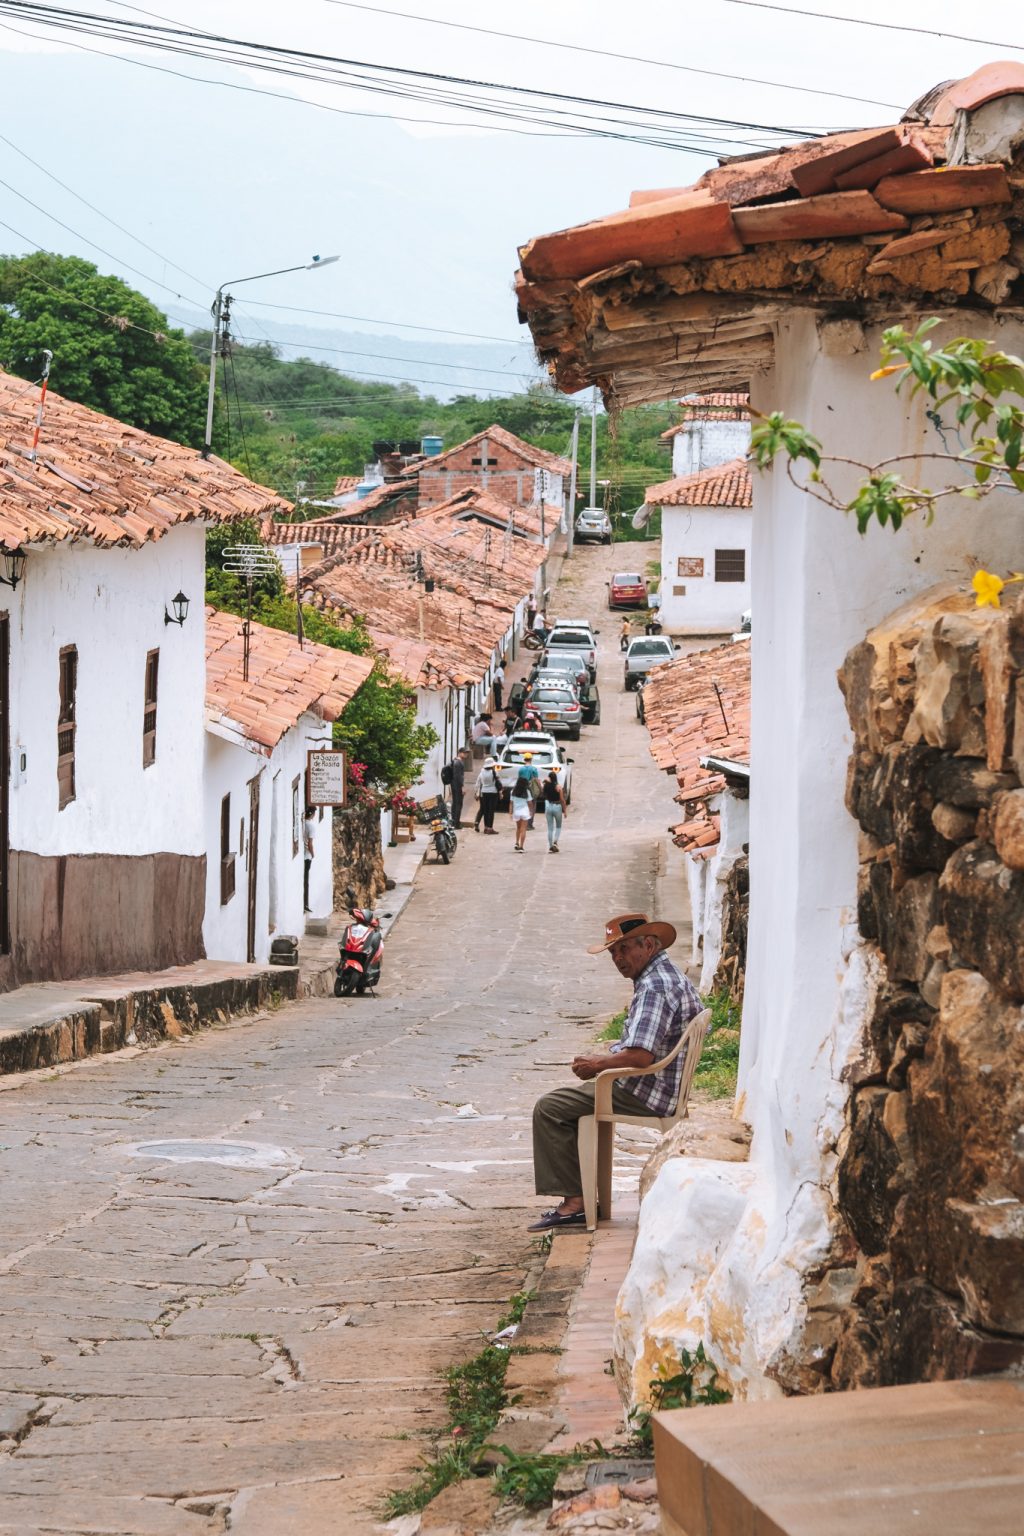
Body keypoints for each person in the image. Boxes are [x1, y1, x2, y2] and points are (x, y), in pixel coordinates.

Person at [528, 913, 701, 1231]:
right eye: (613, 953)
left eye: (623, 950)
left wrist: (598, 1065)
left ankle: (575, 1204)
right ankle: (578, 1198)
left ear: (647, 945)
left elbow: (639, 1056)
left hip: (647, 1091)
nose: (618, 959)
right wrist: (606, 1058)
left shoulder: (655, 987)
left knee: (550, 1108)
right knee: (568, 1102)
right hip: (661, 1085)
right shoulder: (665, 976)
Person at [540, 769, 567, 853]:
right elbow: (562, 800)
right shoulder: (558, 787)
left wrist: (544, 781)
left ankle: (551, 845)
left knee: (550, 828)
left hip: (548, 806)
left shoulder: (546, 786)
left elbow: (542, 791)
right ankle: (555, 842)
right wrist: (565, 810)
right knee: (558, 826)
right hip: (557, 806)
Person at [509, 766, 534, 851]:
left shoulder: (513, 791)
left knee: (518, 828)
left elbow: (511, 803)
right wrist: (531, 811)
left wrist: (510, 812)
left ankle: (516, 842)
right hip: (524, 811)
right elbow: (530, 803)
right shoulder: (527, 792)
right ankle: (521, 846)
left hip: (516, 812)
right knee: (523, 829)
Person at [475, 756, 501, 833]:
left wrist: (476, 792)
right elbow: (498, 783)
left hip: (484, 792)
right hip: (493, 792)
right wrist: (500, 792)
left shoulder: (481, 772)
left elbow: (478, 783)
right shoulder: (494, 772)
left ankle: (486, 827)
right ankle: (490, 828)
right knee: (491, 811)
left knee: (485, 810)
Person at [446, 748, 469, 829]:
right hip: (457, 785)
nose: (466, 754)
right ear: (459, 753)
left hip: (454, 785)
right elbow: (458, 776)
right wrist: (462, 787)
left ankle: (453, 822)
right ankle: (456, 823)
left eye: (467, 753)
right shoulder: (458, 763)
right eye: (464, 753)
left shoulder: (454, 761)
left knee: (455, 803)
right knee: (458, 804)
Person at [302, 806, 316, 912]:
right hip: (307, 856)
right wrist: (313, 853)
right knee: (306, 881)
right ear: (312, 814)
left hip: (302, 856)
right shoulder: (311, 826)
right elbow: (310, 843)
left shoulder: (303, 823)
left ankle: (304, 904)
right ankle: (305, 904)